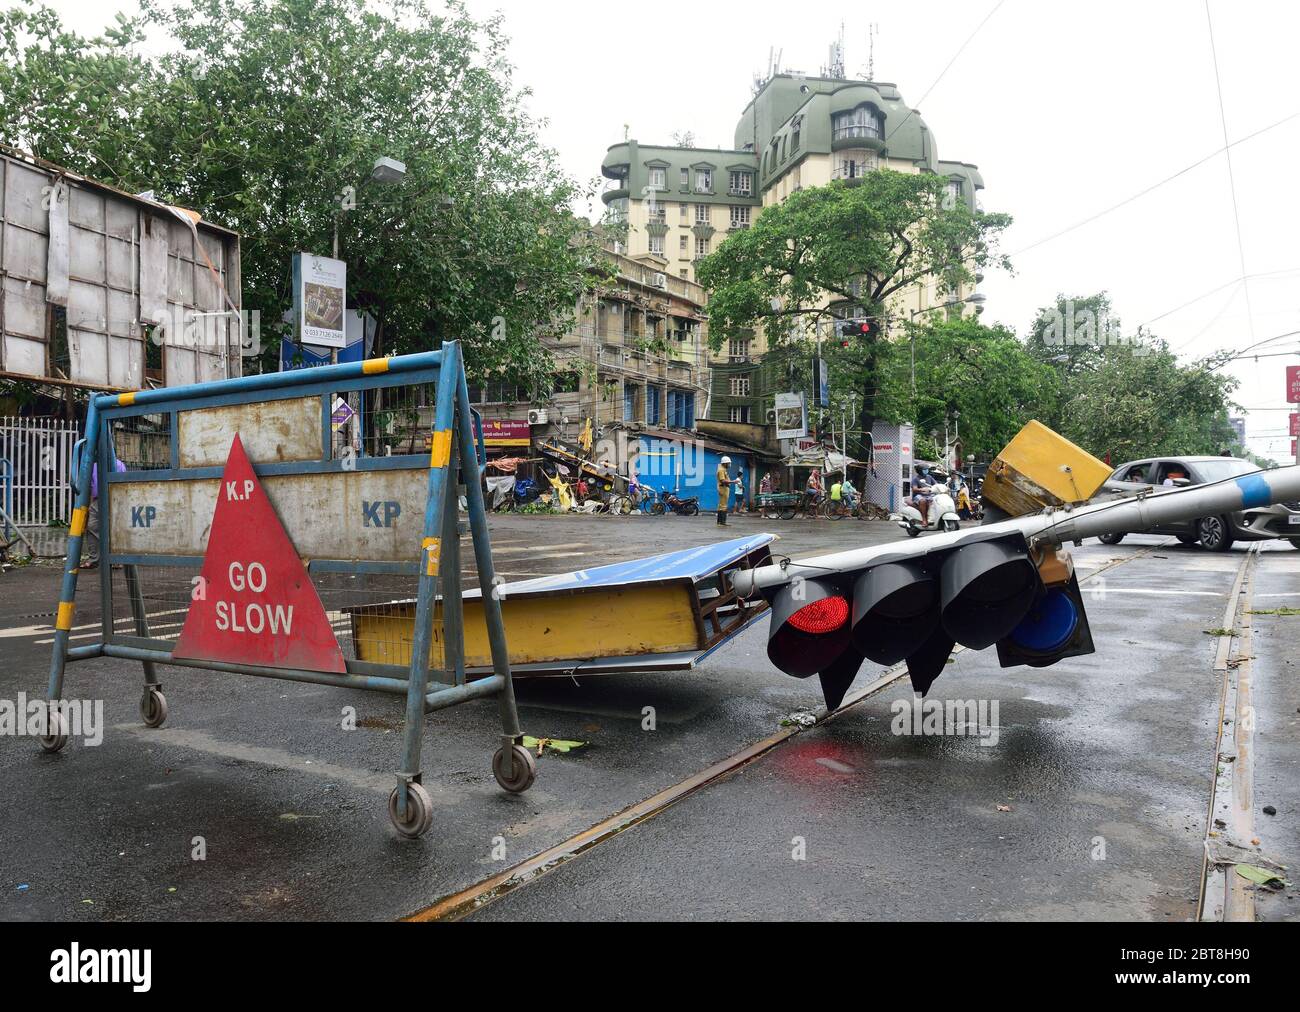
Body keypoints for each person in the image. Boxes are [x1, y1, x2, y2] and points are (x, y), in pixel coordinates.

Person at [716, 455, 739, 526]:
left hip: (724, 488)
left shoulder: (723, 469)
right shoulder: (721, 470)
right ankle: (723, 522)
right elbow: (722, 481)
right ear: (725, 463)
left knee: (721, 505)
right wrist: (733, 481)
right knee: (723, 505)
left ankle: (719, 522)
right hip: (723, 488)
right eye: (728, 463)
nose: (729, 464)